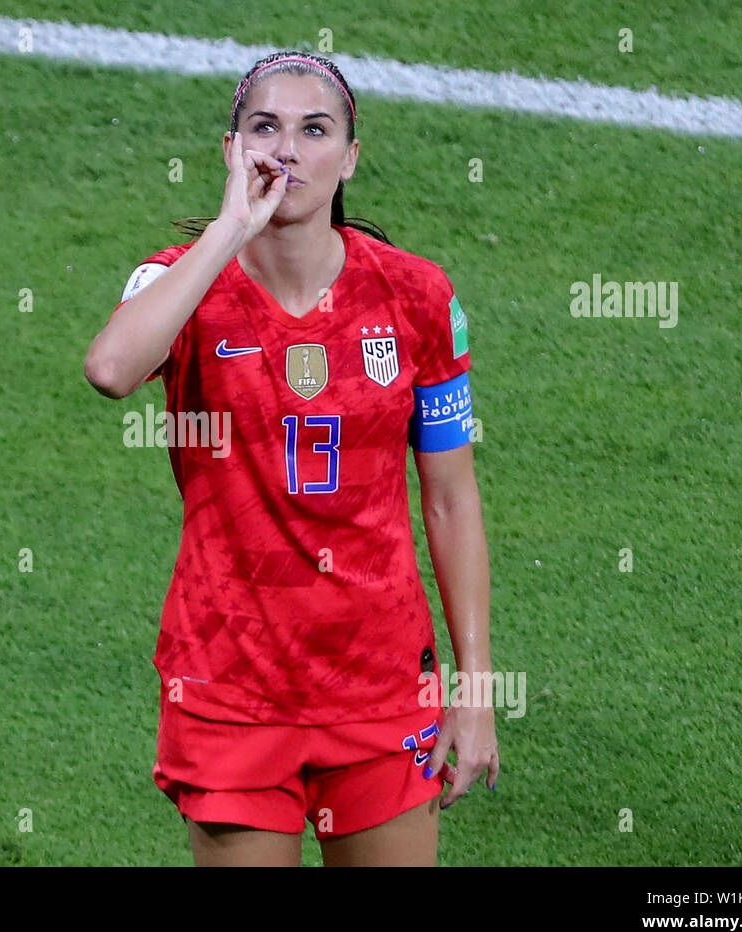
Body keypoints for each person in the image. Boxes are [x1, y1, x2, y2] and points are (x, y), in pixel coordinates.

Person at [83, 51, 499, 866]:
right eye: (264, 128)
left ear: (348, 157)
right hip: (231, 683)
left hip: (379, 682)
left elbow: (451, 500)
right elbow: (110, 369)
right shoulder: (179, 286)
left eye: (316, 130)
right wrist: (228, 230)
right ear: (232, 150)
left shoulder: (417, 296)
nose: (288, 150)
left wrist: (475, 686)